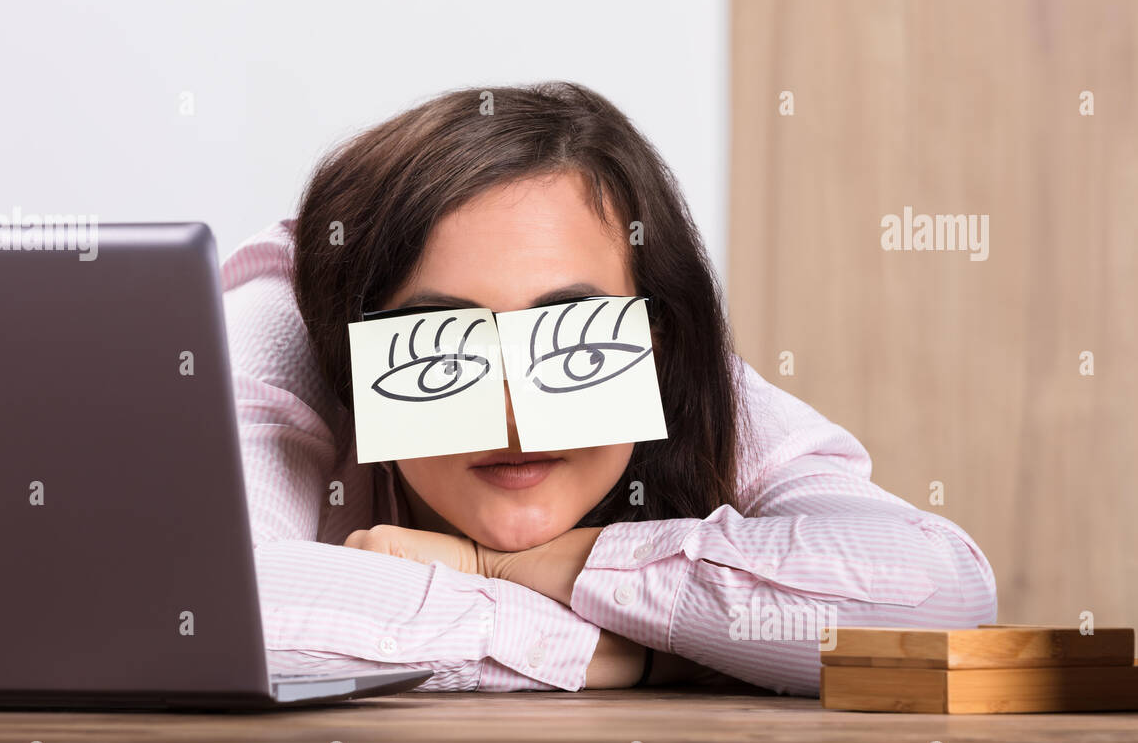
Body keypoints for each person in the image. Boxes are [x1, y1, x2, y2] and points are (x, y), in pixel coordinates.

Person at [220, 81, 996, 695]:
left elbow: (934, 596)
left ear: (655, 344)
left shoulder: (684, 376)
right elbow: (211, 606)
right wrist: (626, 651)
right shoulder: (283, 317)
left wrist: (510, 569)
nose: (515, 418)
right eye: (441, 349)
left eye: (572, 340)